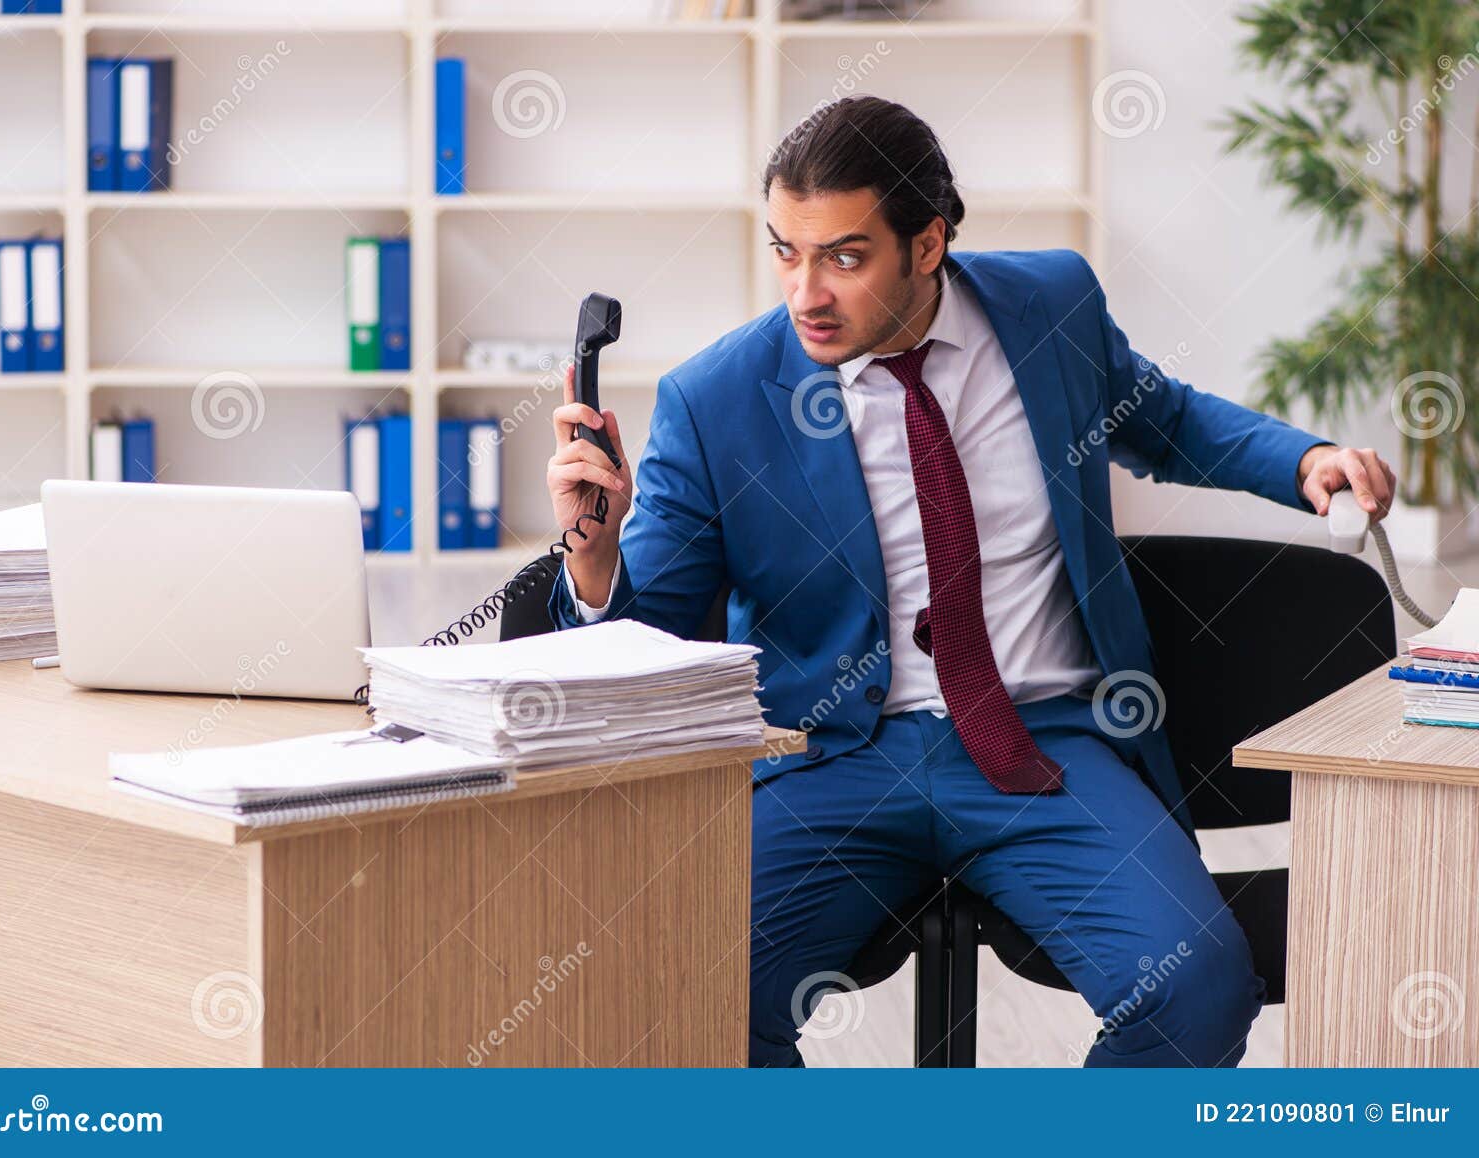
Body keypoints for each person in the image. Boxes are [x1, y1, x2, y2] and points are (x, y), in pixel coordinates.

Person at [544, 96, 1395, 1067]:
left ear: (928, 242)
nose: (805, 292)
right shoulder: (718, 397)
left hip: (1045, 740)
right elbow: (651, 638)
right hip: (830, 757)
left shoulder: (1049, 307)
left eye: (845, 256)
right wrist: (596, 558)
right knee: (673, 986)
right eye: (787, 250)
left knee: (1197, 986)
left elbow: (1165, 419)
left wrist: (1302, 460)